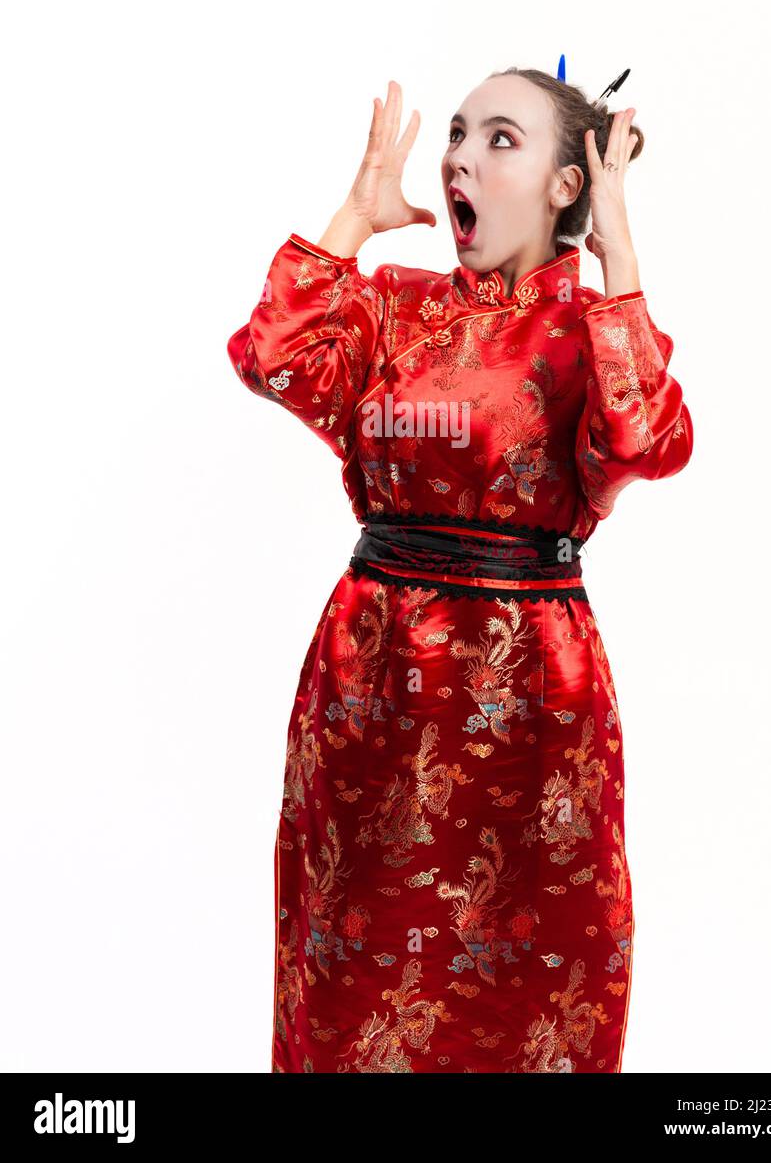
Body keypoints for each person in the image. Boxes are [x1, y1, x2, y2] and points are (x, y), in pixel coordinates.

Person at [227, 71, 693, 1073]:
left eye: (499, 138)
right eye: (455, 134)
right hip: (372, 683)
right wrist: (355, 213)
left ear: (566, 183)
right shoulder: (394, 308)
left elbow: (648, 436)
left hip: (530, 694)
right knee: (350, 959)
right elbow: (273, 358)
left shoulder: (592, 325)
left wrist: (619, 255)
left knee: (539, 970)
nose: (457, 158)